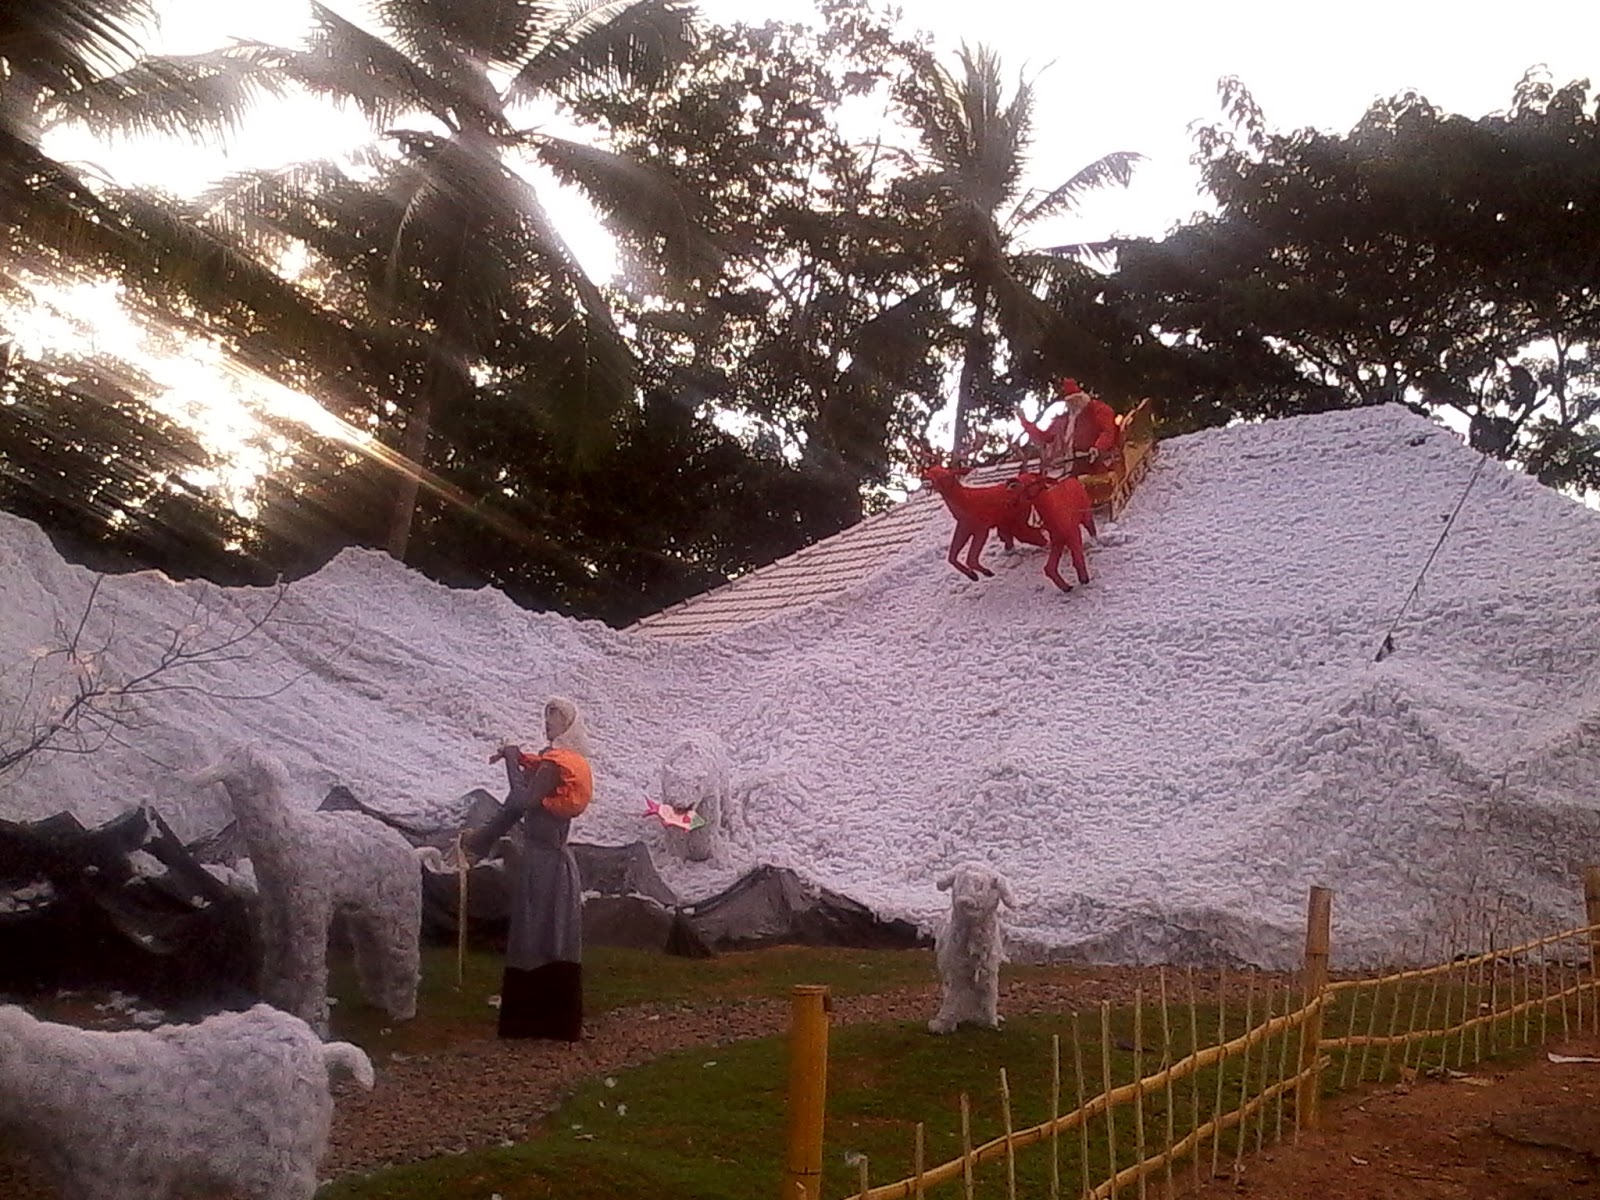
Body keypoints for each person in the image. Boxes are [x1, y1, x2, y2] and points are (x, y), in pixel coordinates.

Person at [463, 696, 593, 1041]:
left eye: (556, 716)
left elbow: (522, 801)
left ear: (570, 725)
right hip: (542, 860)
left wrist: (509, 760)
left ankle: (546, 1022)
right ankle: (540, 1021)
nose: (548, 721)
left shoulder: (556, 765)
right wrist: (480, 840)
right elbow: (513, 809)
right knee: (539, 934)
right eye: (547, 714)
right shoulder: (549, 764)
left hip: (547, 862)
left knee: (541, 935)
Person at [1014, 378, 1123, 477]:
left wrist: (1098, 447)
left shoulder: (1097, 410)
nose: (1073, 404)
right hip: (1074, 465)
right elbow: (1044, 437)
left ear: (1082, 398)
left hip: (1098, 462)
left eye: (1075, 400)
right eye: (1070, 402)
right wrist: (1024, 421)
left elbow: (1108, 431)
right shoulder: (1063, 421)